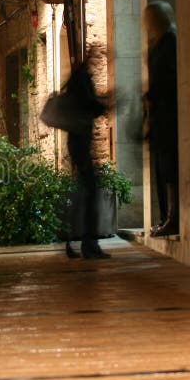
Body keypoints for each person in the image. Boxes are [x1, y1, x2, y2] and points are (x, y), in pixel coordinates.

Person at [64, 61, 110, 260]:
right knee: (89, 193)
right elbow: (90, 106)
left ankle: (76, 243)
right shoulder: (82, 81)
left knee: (84, 193)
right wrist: (105, 104)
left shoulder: (75, 81)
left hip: (77, 142)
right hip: (80, 143)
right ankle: (88, 245)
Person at [144, 1, 179, 237]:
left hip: (168, 115)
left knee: (170, 168)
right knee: (160, 167)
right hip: (159, 117)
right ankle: (165, 216)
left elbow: (168, 79)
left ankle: (173, 218)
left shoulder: (170, 42)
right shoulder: (156, 45)